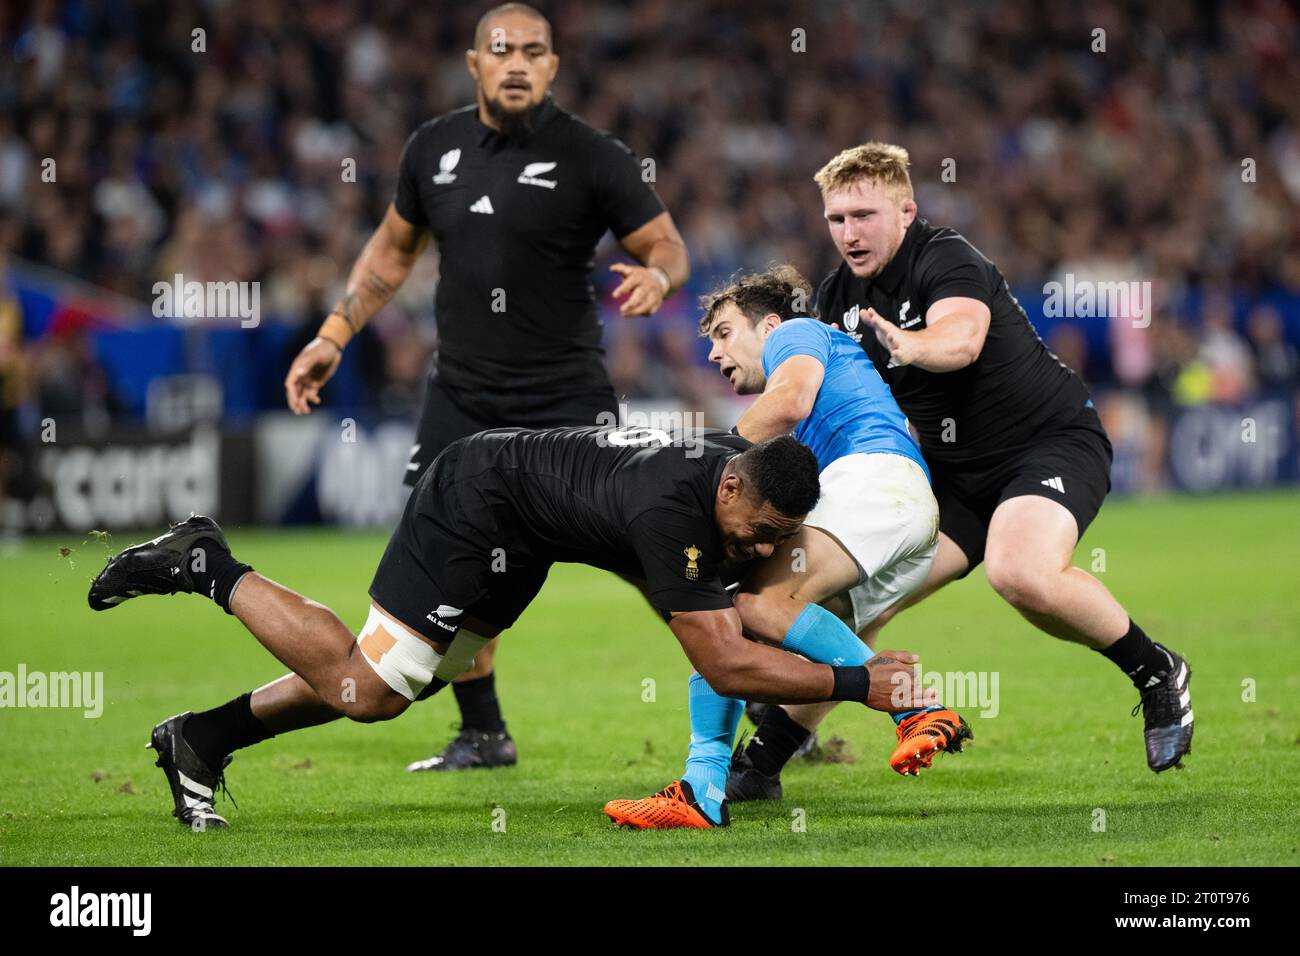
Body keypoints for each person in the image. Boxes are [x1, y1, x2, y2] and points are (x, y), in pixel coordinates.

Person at [87, 426, 936, 831]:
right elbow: (726, 664)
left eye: (779, 538)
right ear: (730, 493)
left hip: (524, 528)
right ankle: (208, 565)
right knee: (370, 689)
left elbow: (756, 614)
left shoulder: (729, 473)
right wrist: (861, 684)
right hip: (478, 505)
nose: (762, 549)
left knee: (397, 680)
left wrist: (864, 669)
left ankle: (199, 739)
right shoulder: (674, 514)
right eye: (759, 531)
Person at [282, 2, 689, 773]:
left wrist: (660, 275)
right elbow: (391, 251)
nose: (516, 63)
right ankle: (482, 732)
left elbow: (666, 241)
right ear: (474, 64)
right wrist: (334, 333)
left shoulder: (592, 155)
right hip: (463, 399)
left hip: (567, 399)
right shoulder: (431, 148)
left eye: (533, 51)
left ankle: (754, 690)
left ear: (552, 66)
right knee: (459, 564)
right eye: (500, 50)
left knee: (651, 548)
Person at [728, 142, 1192, 790]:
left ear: (905, 209)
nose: (849, 232)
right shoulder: (835, 296)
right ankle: (765, 761)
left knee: (1018, 570)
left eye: (864, 214)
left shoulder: (945, 257)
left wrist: (906, 342)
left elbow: (962, 339)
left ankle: (1157, 670)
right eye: (836, 219)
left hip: (1048, 444)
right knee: (852, 599)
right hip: (948, 477)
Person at [603, 265, 972, 830]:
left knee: (749, 606)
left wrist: (702, 470)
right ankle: (709, 786)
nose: (713, 353)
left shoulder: (794, 335)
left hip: (874, 485)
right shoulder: (820, 387)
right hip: (899, 514)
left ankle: (918, 708)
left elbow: (790, 401)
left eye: (724, 332)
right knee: (736, 624)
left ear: (768, 323)